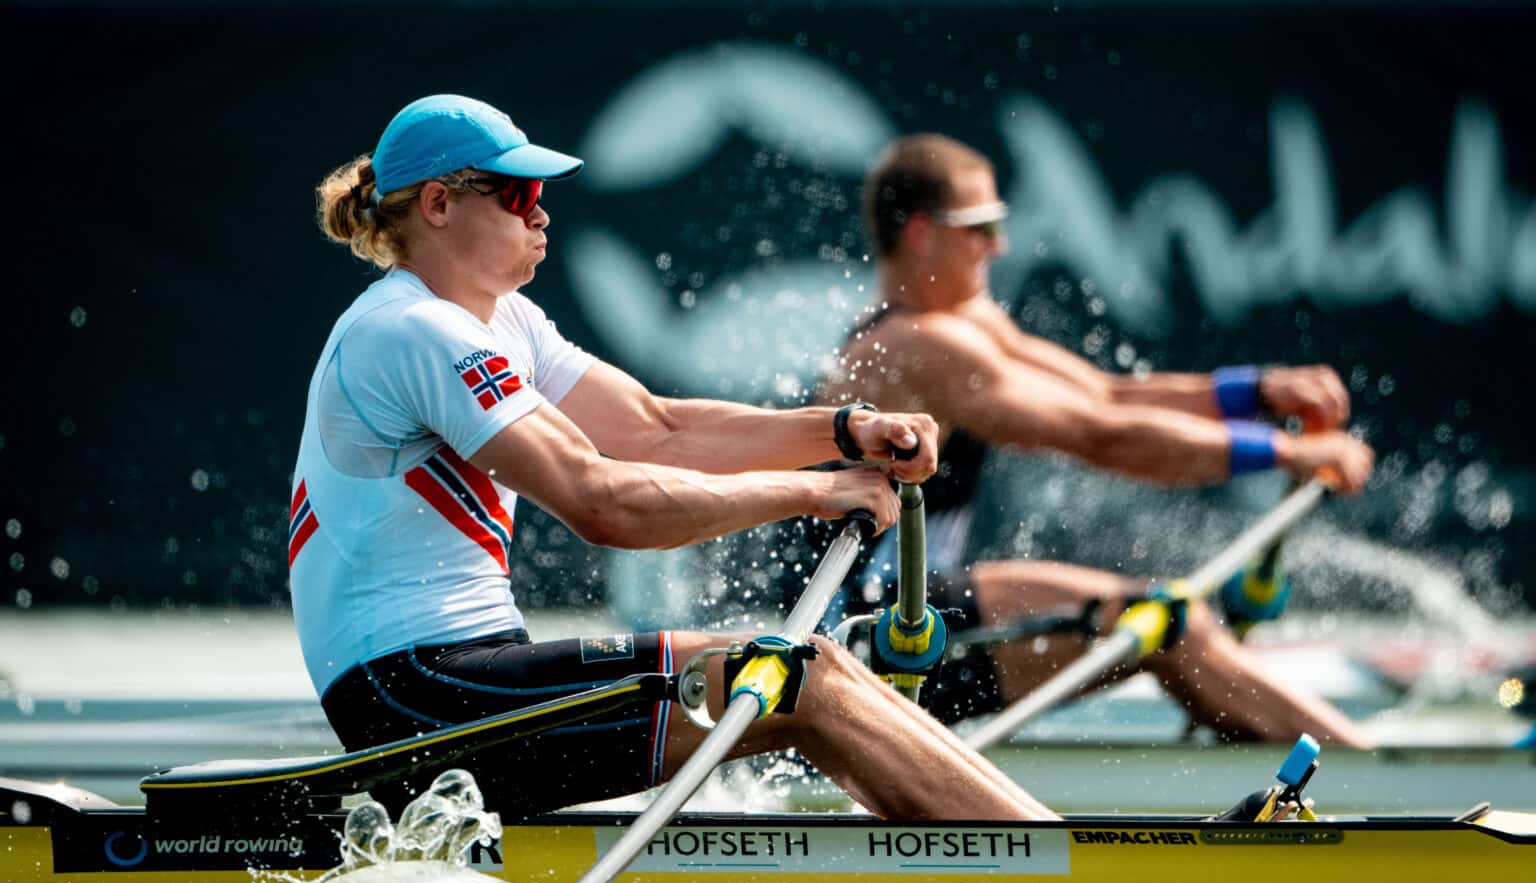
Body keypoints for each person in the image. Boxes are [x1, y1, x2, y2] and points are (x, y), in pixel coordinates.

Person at [293, 95, 1056, 822]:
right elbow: (602, 502)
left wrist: (846, 430)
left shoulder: (504, 321)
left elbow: (656, 428)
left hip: (468, 677)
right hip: (414, 698)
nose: (542, 213)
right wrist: (812, 495)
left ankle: (1012, 844)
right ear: (438, 205)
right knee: (803, 678)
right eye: (519, 194)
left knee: (817, 673)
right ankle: (1051, 865)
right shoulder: (410, 330)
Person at [815, 133, 1374, 748]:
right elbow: (1097, 437)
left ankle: (1338, 779)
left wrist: (1258, 393)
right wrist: (1286, 453)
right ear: (921, 232)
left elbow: (1106, 396)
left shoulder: (965, 324)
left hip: (921, 614)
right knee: (1166, 624)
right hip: (868, 635)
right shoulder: (912, 349)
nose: (998, 244)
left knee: (1168, 621)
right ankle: (1381, 788)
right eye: (982, 225)